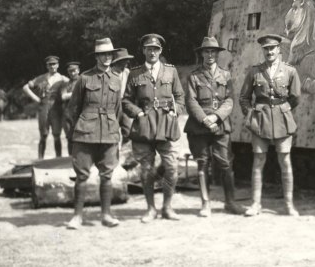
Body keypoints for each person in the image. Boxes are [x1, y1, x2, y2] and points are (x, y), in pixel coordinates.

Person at [122, 34, 185, 223]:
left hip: (166, 125)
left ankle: (167, 206)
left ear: (160, 51)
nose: (152, 52)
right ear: (143, 51)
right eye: (148, 48)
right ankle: (150, 209)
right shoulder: (135, 73)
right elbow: (126, 100)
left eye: (155, 49)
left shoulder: (170, 72)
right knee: (146, 169)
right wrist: (138, 113)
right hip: (144, 127)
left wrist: (176, 111)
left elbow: (180, 97)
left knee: (172, 167)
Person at [239, 34, 301, 217]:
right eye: (266, 49)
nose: (269, 52)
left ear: (279, 49)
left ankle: (289, 205)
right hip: (261, 120)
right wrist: (251, 114)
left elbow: (295, 96)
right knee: (258, 161)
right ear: (263, 51)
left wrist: (285, 109)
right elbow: (243, 98)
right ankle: (255, 204)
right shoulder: (254, 72)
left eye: (272, 48)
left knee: (285, 160)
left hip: (282, 121)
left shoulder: (290, 71)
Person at [64, 39, 123, 229]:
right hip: (84, 135)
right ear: (96, 56)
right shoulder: (84, 78)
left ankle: (106, 215)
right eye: (103, 54)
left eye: (109, 54)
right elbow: (73, 109)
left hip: (109, 133)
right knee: (81, 175)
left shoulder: (116, 78)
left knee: (107, 175)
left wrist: (117, 131)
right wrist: (74, 135)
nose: (107, 58)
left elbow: (117, 109)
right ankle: (77, 216)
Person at [184, 37, 245, 217]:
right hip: (199, 126)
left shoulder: (225, 75)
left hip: (220, 124)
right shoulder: (194, 76)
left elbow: (230, 99)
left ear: (217, 54)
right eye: (206, 51)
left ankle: (230, 202)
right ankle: (205, 203)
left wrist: (216, 117)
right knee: (202, 163)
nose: (210, 55)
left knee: (225, 163)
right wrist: (205, 119)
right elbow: (190, 101)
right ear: (202, 53)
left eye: (213, 52)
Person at [23, 55, 68, 158]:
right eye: (50, 64)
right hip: (43, 109)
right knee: (43, 135)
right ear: (47, 66)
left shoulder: (63, 79)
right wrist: (36, 99)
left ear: (58, 65)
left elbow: (71, 89)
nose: (52, 66)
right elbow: (25, 87)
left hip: (57, 109)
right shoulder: (41, 78)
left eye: (54, 64)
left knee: (57, 135)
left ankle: (58, 159)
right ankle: (40, 159)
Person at [57, 61, 81, 155]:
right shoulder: (65, 84)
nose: (72, 73)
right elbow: (63, 97)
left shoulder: (83, 81)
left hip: (80, 113)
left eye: (74, 70)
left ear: (78, 70)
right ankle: (70, 159)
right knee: (70, 137)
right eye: (70, 71)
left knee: (81, 137)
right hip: (68, 113)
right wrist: (76, 94)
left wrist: (70, 95)